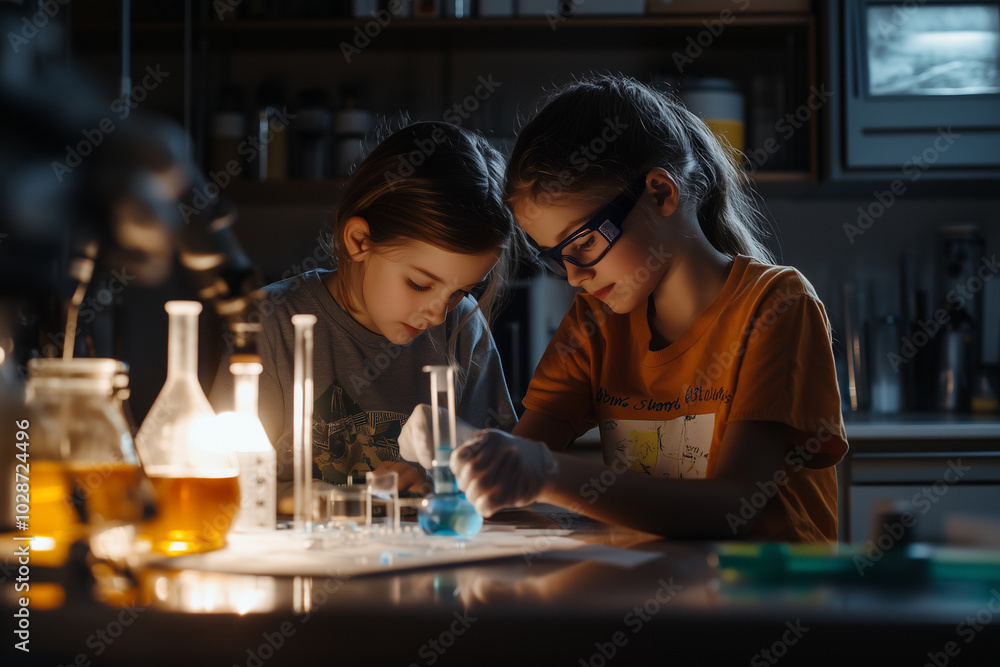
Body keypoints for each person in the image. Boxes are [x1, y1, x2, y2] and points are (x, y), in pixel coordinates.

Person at [401, 76, 848, 542]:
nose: (574, 277)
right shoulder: (594, 322)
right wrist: (455, 467)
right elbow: (522, 460)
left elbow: (731, 508)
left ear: (659, 193)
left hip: (767, 601)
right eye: (555, 257)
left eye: (585, 243)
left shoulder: (775, 304)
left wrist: (546, 473)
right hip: (653, 593)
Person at [211, 121, 519, 509]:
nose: (439, 314)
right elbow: (219, 477)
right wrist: (299, 499)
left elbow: (502, 475)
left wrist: (431, 482)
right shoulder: (269, 324)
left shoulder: (464, 327)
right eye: (420, 284)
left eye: (460, 291)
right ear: (358, 240)